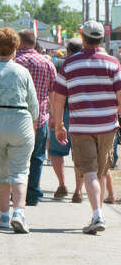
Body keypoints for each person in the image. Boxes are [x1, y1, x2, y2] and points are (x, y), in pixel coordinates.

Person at [50, 21, 121, 234]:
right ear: (101, 39)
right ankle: (96, 213)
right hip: (108, 126)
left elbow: (58, 97)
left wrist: (59, 124)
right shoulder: (113, 63)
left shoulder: (69, 64)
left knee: (89, 172)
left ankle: (97, 215)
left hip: (81, 126)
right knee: (100, 171)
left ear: (83, 37)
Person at [0, 28, 39, 233]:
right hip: (21, 120)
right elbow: (34, 105)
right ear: (15, 47)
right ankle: (19, 213)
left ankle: (3, 215)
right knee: (21, 171)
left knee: (1, 171)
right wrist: (34, 129)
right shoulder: (23, 72)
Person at [13, 29, 57, 206]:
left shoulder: (14, 62)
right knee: (37, 157)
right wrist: (55, 116)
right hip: (40, 118)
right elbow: (54, 92)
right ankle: (32, 194)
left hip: (16, 118)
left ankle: (16, 193)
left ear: (20, 41)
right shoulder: (46, 63)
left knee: (16, 157)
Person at [48, 38, 83, 202]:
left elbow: (54, 92)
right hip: (81, 114)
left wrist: (54, 114)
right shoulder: (86, 64)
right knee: (80, 153)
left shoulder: (60, 64)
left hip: (62, 111)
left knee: (56, 152)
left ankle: (62, 185)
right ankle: (78, 190)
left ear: (68, 51)